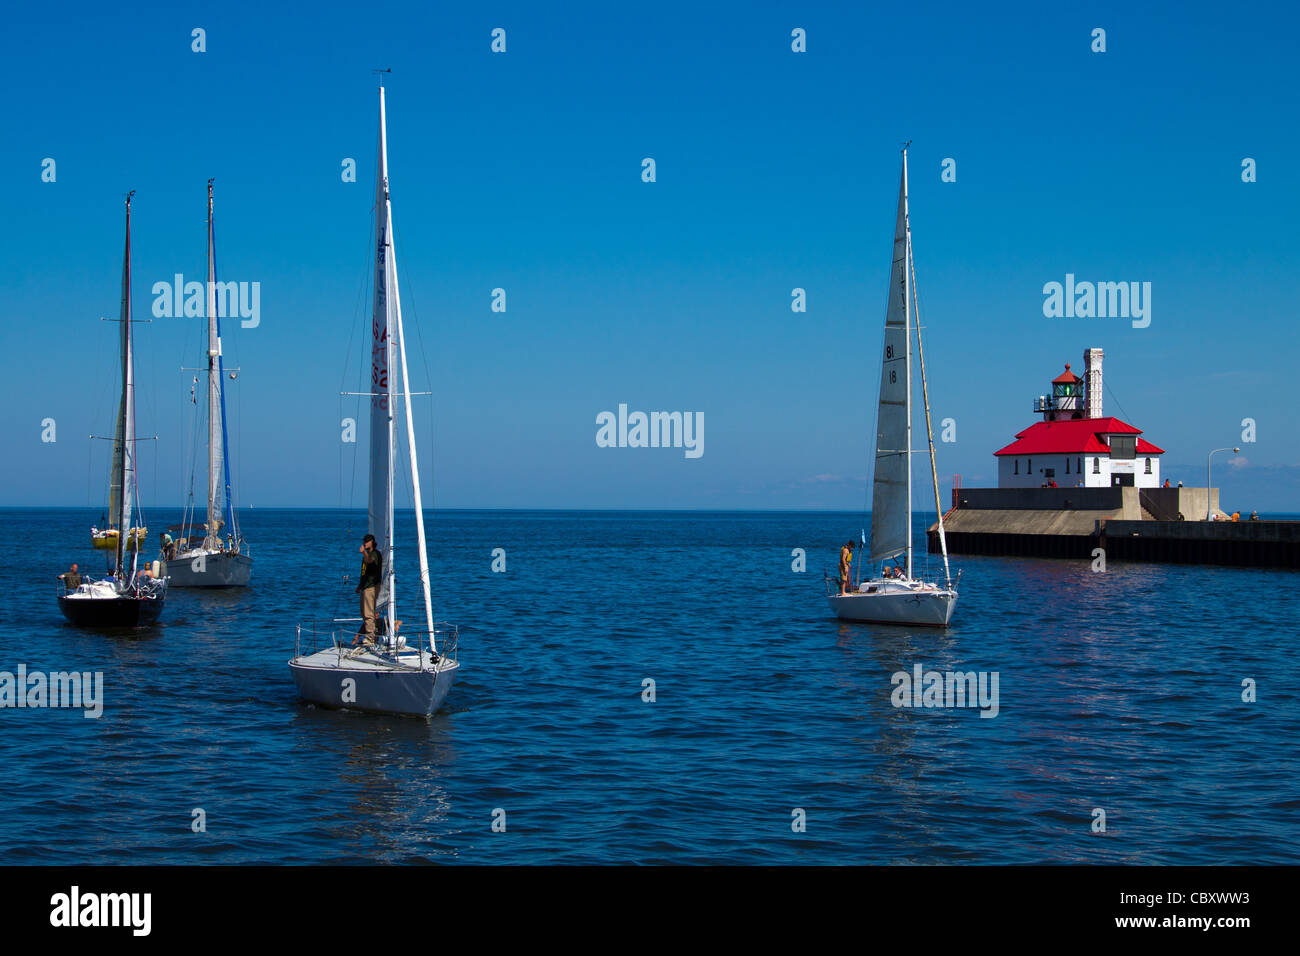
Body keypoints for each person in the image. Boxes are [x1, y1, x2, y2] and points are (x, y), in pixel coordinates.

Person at [353, 534, 383, 644]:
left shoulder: (375, 554)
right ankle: (369, 634)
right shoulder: (367, 554)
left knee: (368, 612)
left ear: (372, 542)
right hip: (365, 586)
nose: (365, 543)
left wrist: (363, 552)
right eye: (364, 541)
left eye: (367, 541)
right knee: (363, 612)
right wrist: (360, 586)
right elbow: (364, 572)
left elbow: (370, 561)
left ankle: (370, 637)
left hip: (372, 586)